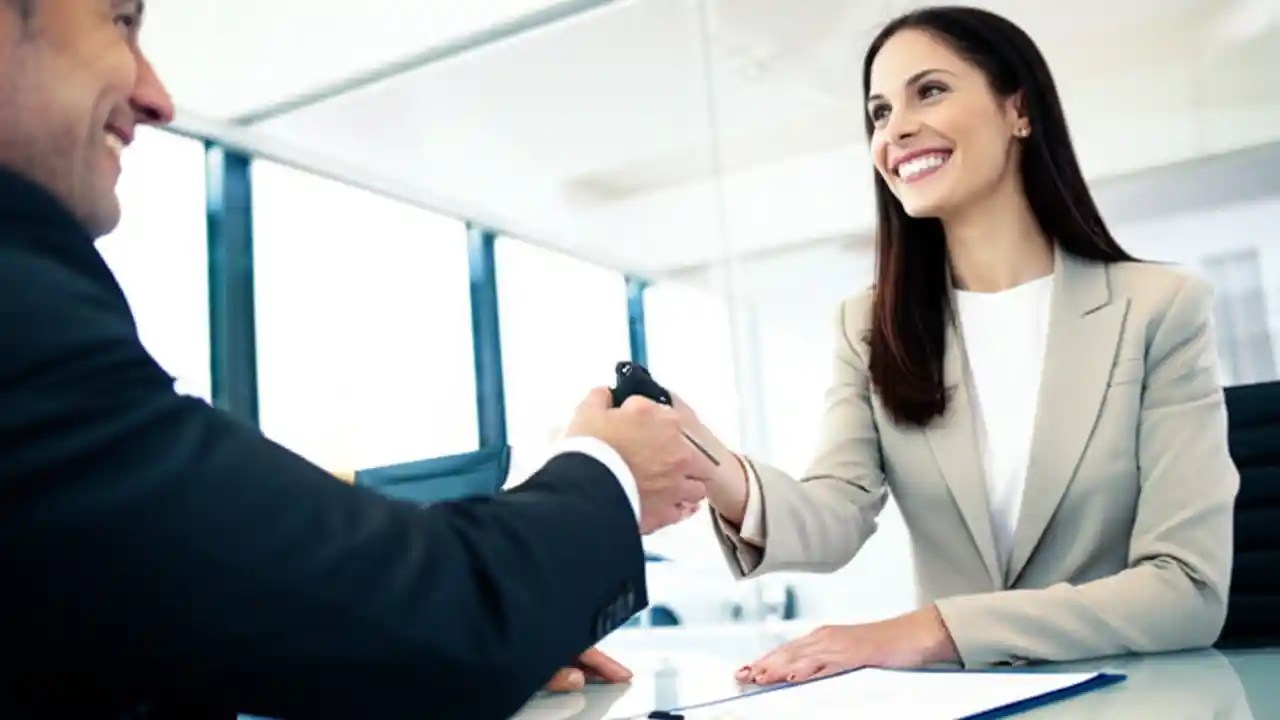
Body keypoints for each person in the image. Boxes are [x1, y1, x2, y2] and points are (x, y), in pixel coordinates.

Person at [0, 1, 715, 717]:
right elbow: (439, 618)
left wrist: (363, 646)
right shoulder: (25, 317)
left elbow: (131, 616)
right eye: (120, 22)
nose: (156, 97)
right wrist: (612, 470)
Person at [675, 5, 1240, 684]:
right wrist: (710, 465)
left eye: (930, 91)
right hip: (963, 703)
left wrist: (929, 630)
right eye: (879, 112)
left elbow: (1187, 592)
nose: (897, 128)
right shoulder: (869, 326)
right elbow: (837, 509)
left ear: (1019, 110)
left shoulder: (1158, 309)